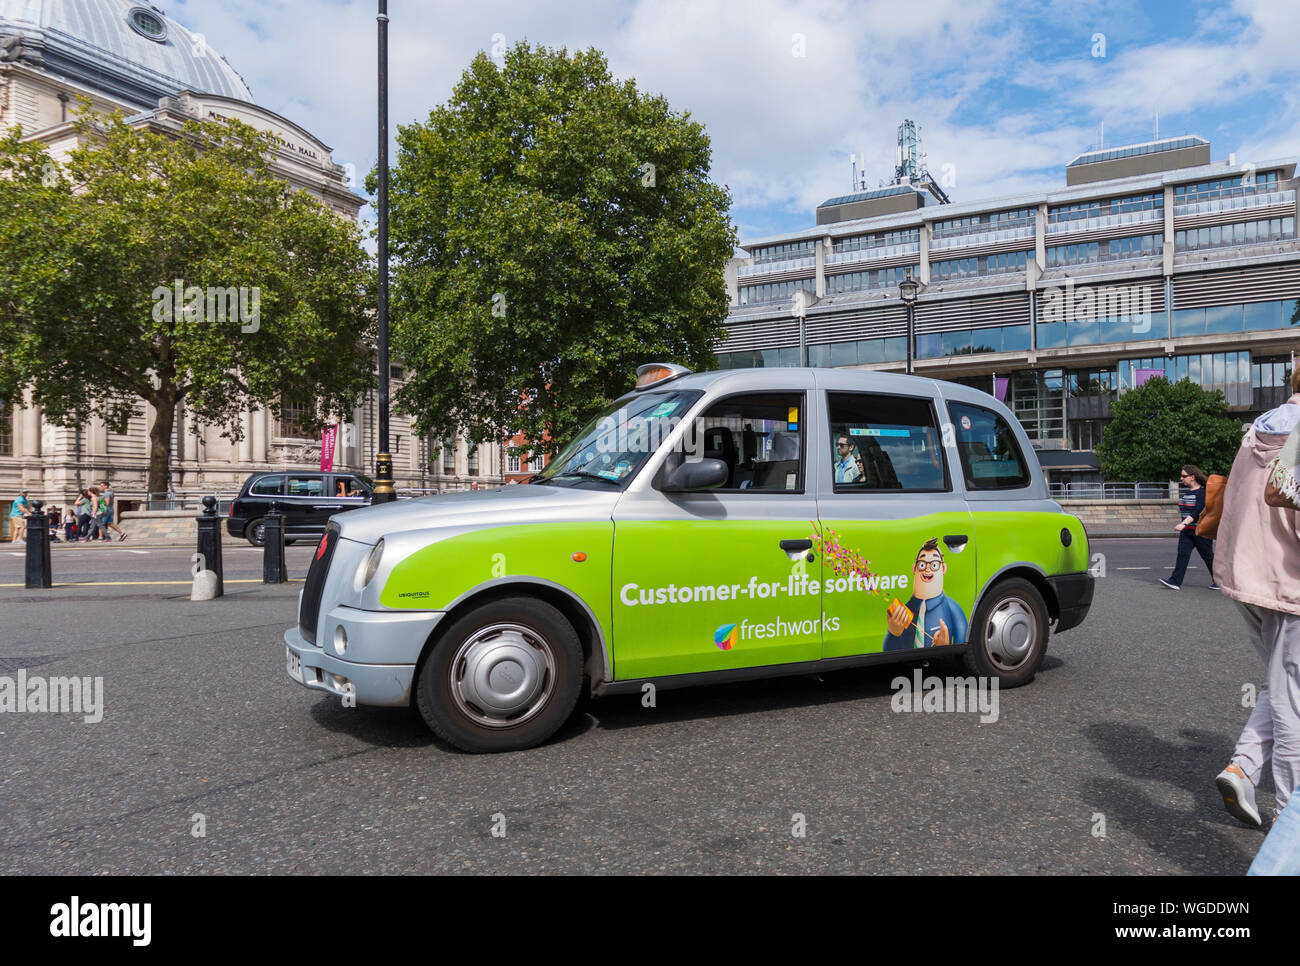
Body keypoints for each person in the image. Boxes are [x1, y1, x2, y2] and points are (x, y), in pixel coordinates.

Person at [1213, 367, 1300, 828]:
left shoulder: (1257, 430)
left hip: (1248, 578)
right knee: (1293, 704)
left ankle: (1243, 767)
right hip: (1292, 584)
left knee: (1283, 684)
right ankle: (1291, 826)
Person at [1158, 464, 1216, 590]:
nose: (1181, 478)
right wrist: (1184, 526)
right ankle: (1175, 581)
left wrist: (1184, 523)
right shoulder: (1188, 493)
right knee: (1182, 556)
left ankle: (1219, 581)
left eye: (1184, 476)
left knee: (1208, 557)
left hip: (1200, 532)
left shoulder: (1202, 492)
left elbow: (1197, 512)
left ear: (1192, 477)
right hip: (1187, 532)